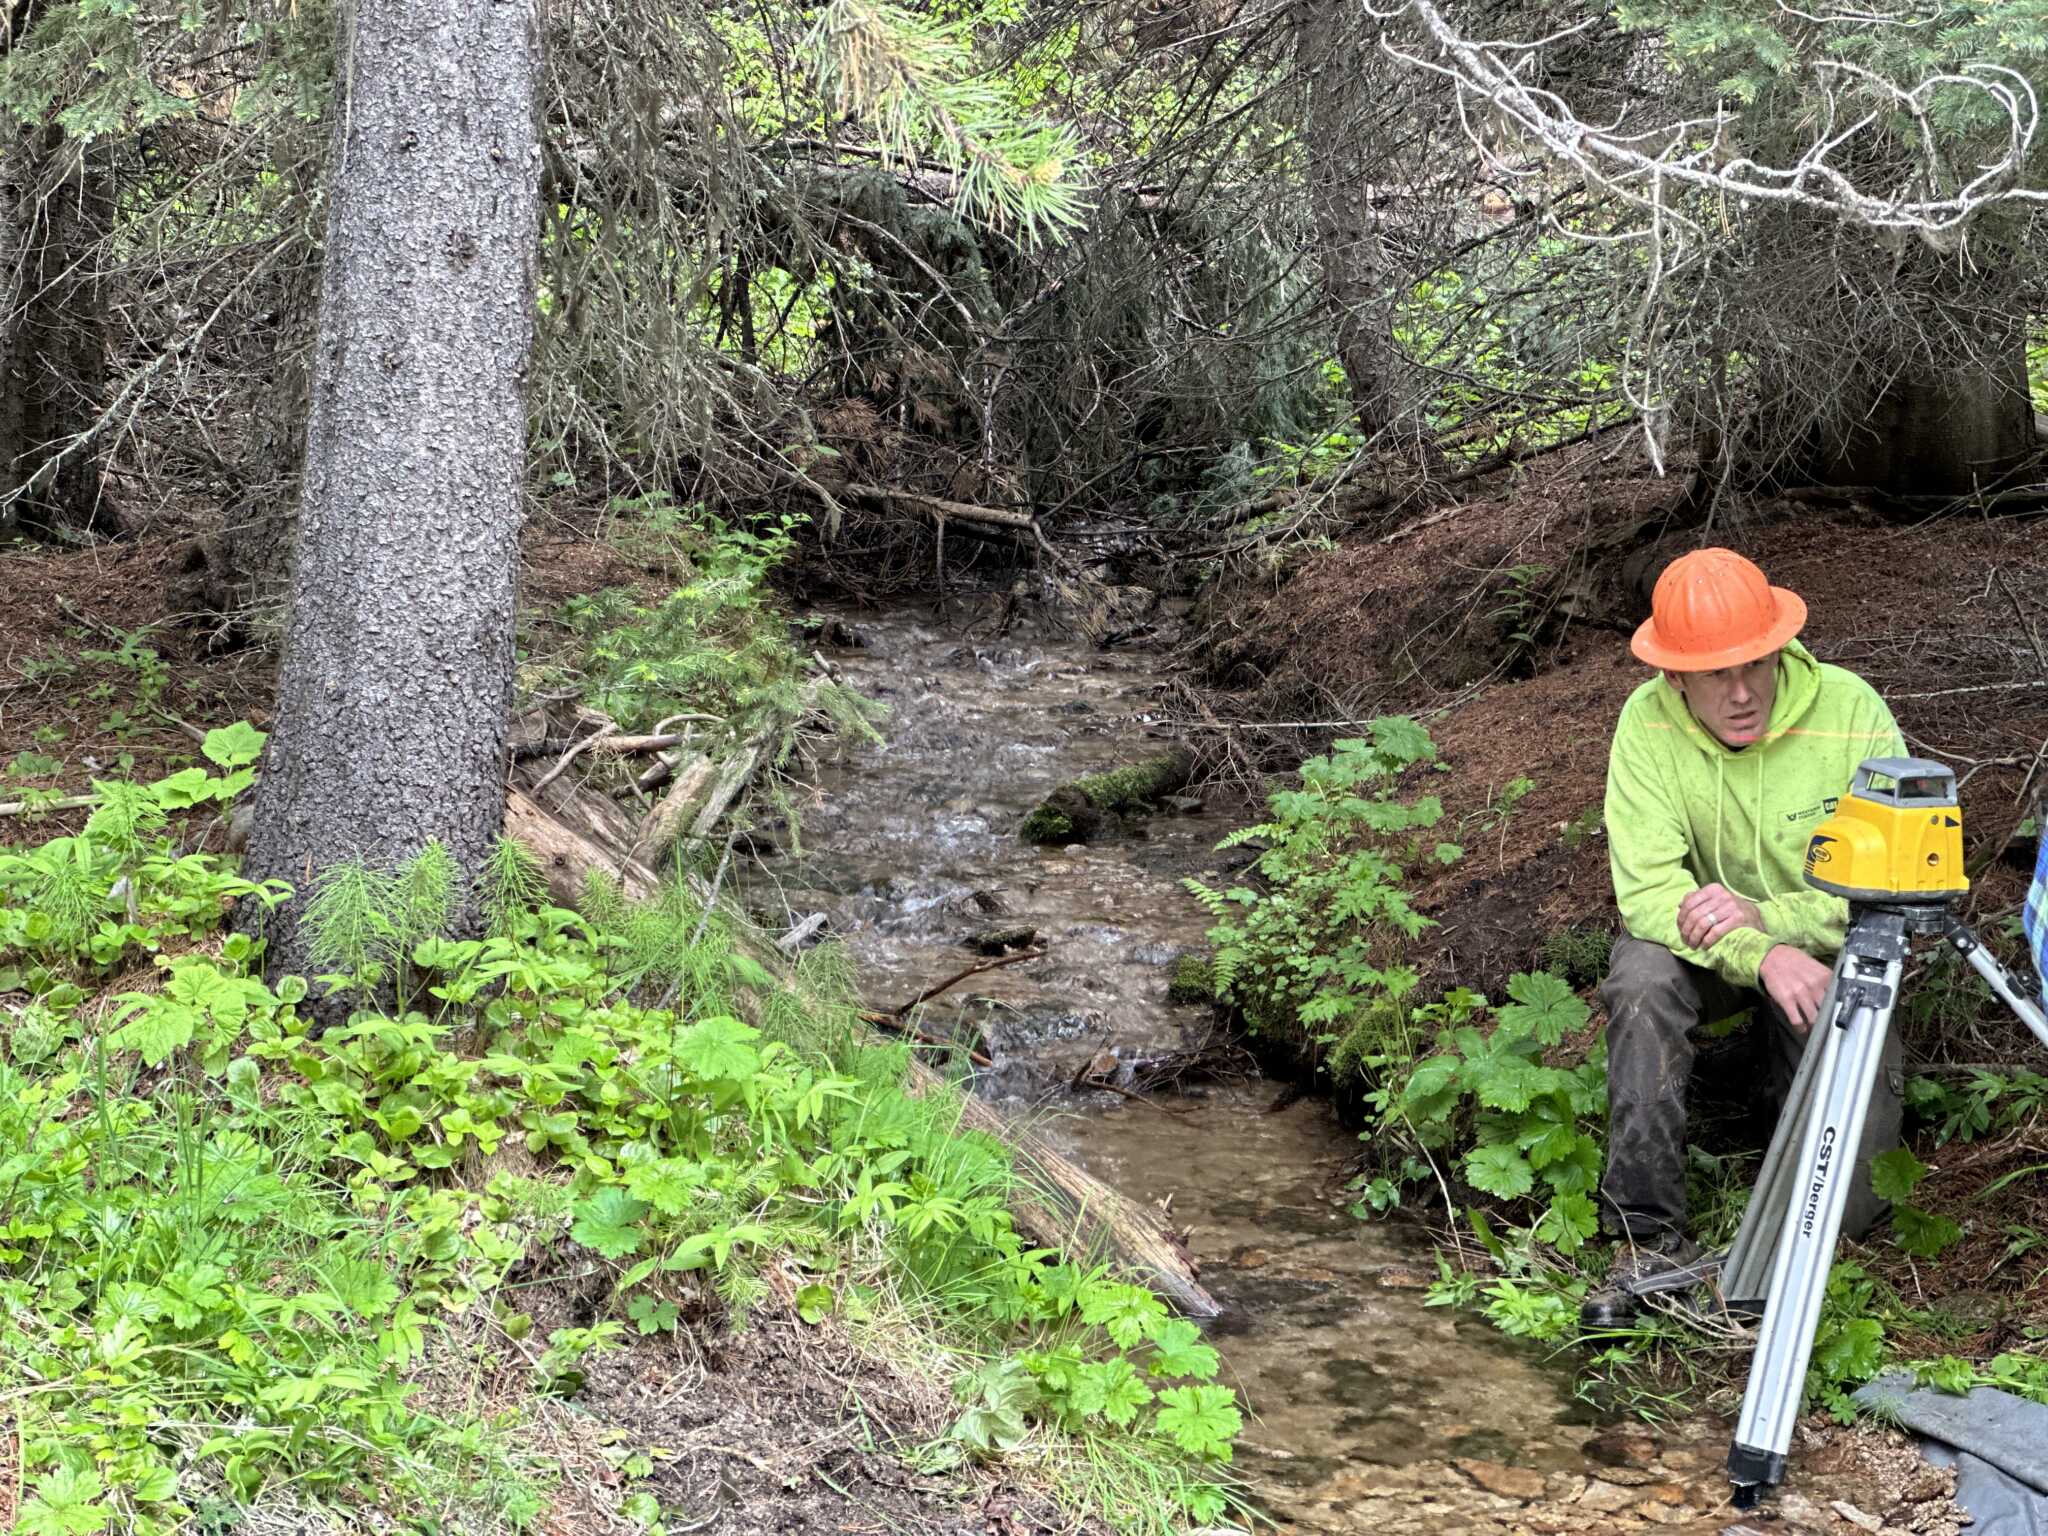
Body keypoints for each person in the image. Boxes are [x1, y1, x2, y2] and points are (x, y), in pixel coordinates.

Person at [1580, 548, 1907, 1329]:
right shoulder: (1645, 724)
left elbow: (1896, 884)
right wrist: (1758, 953)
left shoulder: (1853, 710)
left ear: (1777, 649)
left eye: (1754, 665)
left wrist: (1778, 923)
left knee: (1848, 1218)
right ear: (1674, 677)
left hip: (1830, 949)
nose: (1741, 692)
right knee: (1641, 978)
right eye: (1716, 674)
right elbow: (1652, 897)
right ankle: (1645, 1231)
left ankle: (1775, 1092)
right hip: (1713, 948)